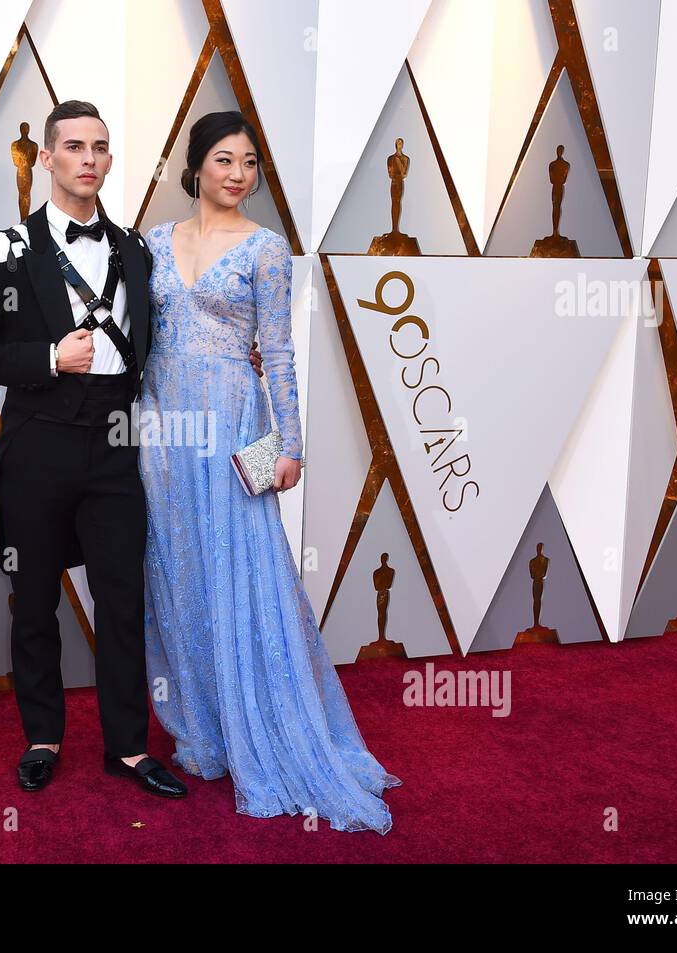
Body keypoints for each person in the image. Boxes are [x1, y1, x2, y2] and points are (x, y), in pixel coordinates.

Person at [0, 101, 262, 797]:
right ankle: (42, 736)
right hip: (38, 443)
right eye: (74, 147)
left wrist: (240, 361)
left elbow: (177, 326)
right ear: (50, 160)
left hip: (122, 445)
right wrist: (48, 355)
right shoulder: (9, 245)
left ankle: (127, 747)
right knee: (32, 598)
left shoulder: (135, 248)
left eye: (99, 147)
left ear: (110, 160)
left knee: (123, 599)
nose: (88, 158)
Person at [140, 111, 403, 833]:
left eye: (250, 162)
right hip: (163, 432)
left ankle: (270, 729)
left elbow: (280, 353)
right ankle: (206, 732)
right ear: (194, 166)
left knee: (245, 571)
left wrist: (289, 446)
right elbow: (140, 343)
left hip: (236, 424)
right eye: (224, 159)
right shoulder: (154, 242)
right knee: (178, 573)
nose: (238, 174)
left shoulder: (267, 248)